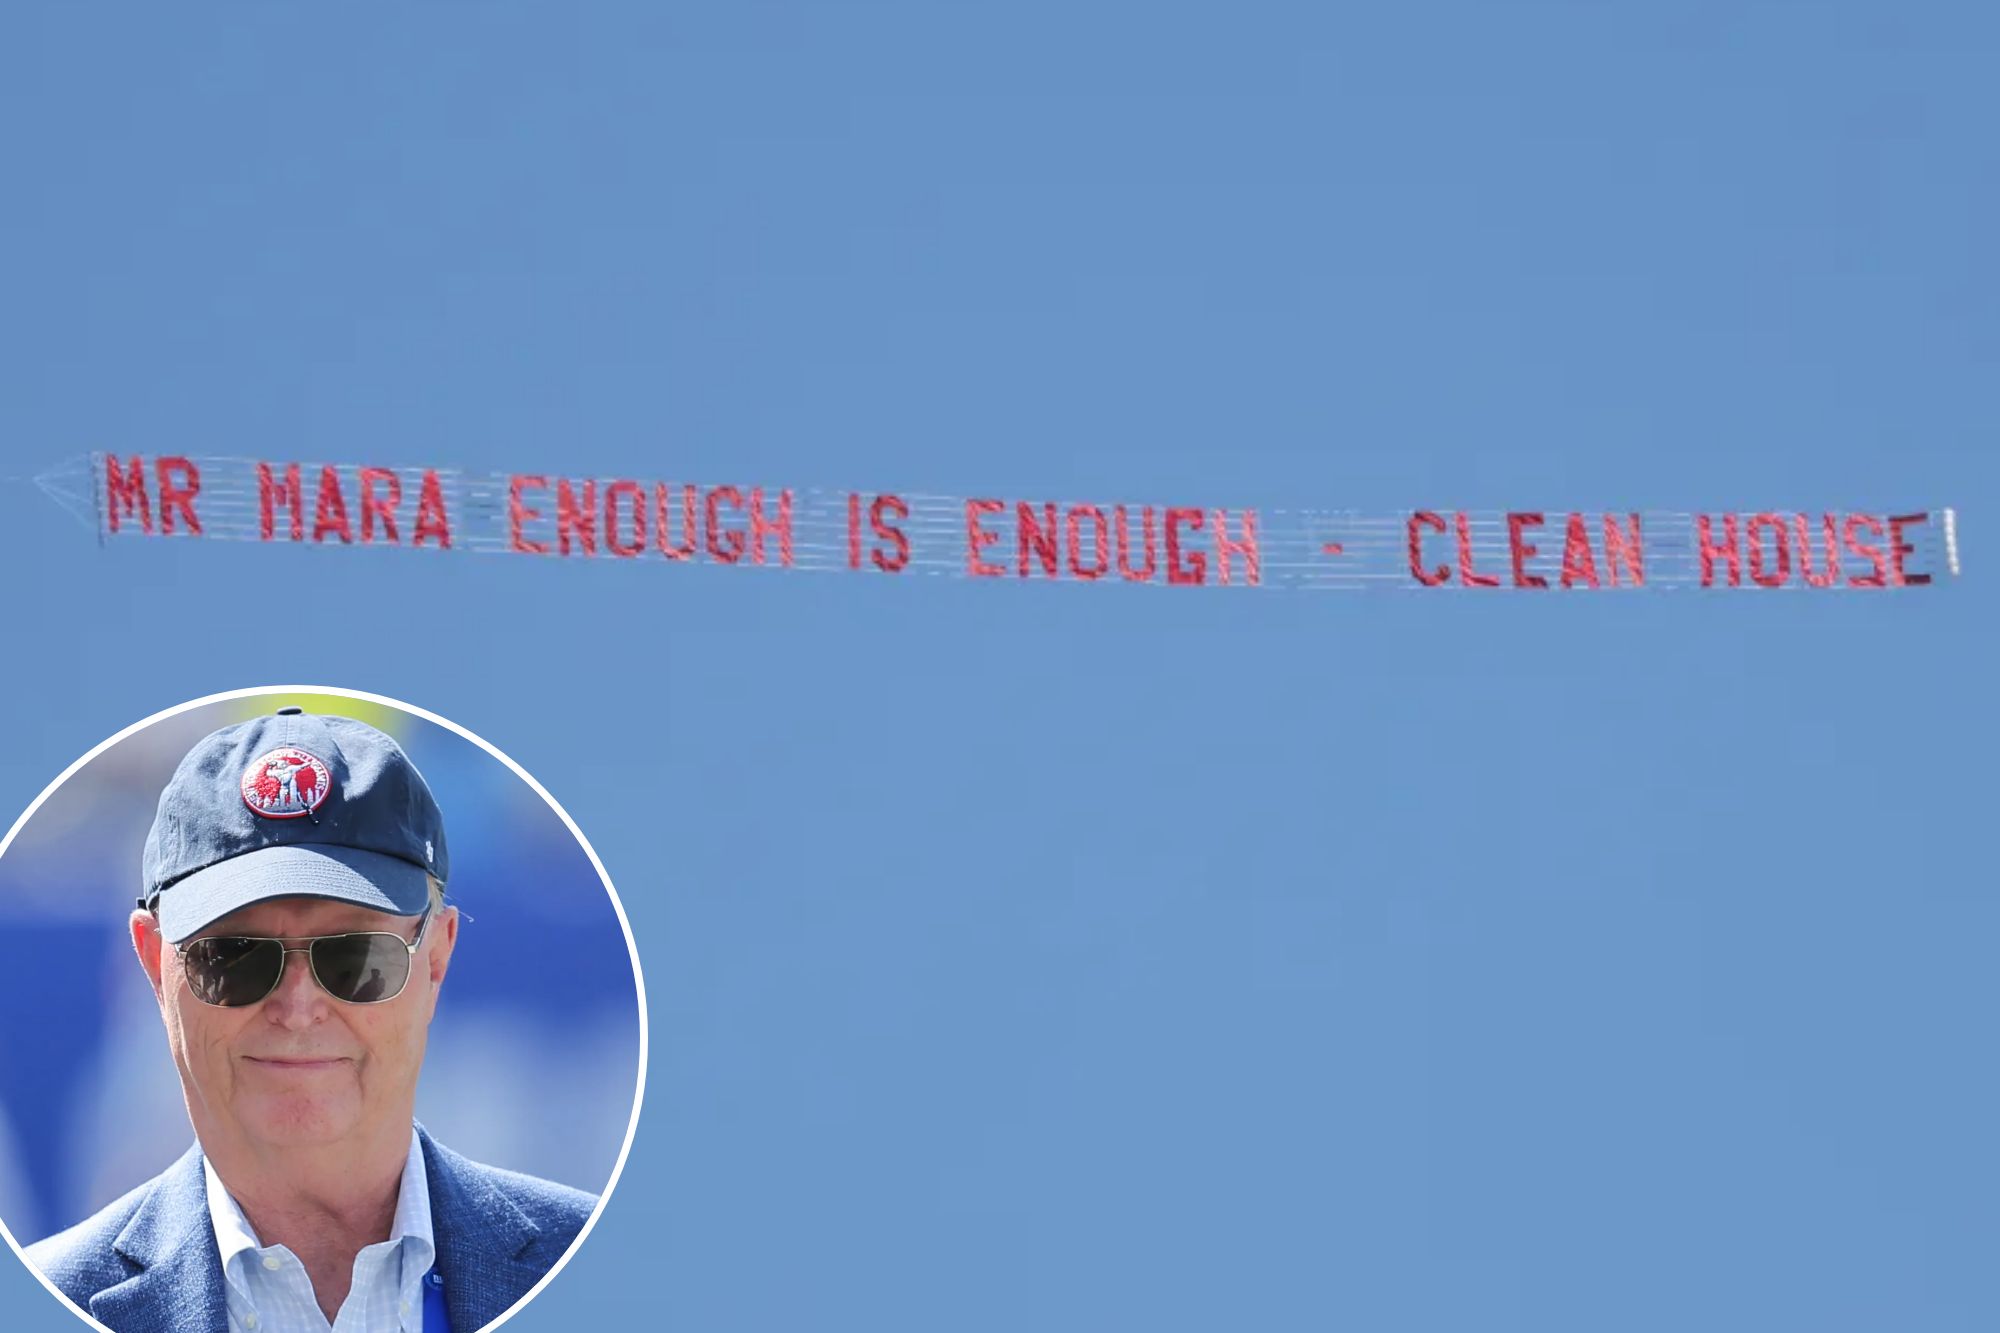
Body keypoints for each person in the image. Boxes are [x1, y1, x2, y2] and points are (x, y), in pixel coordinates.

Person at [25, 706, 596, 1333]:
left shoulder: (596, 1266)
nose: (297, 1010)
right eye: (235, 956)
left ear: (436, 961)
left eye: (354, 956)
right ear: (156, 965)